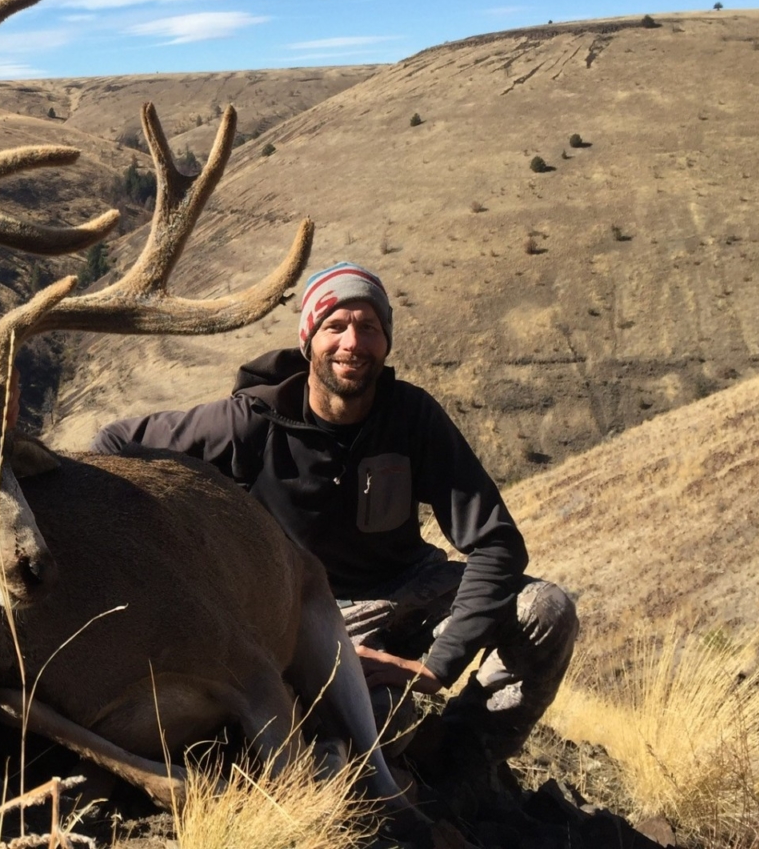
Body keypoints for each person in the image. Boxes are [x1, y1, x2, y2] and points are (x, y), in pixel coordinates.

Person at [90, 262, 578, 772]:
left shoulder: (412, 417)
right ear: (309, 341)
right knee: (389, 720)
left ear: (385, 342)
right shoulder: (250, 421)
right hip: (314, 611)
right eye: (335, 326)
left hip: (412, 585)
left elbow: (497, 542)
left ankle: (467, 761)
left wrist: (438, 665)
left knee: (547, 611)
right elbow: (114, 445)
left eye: (369, 327)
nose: (352, 342)